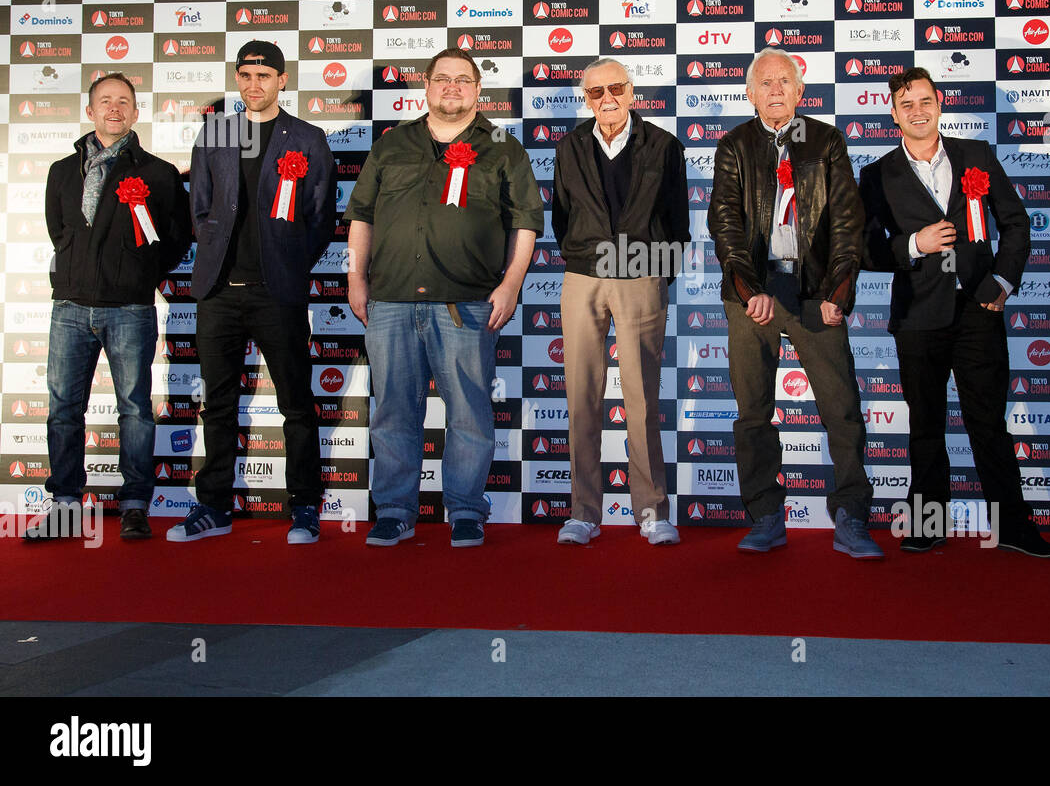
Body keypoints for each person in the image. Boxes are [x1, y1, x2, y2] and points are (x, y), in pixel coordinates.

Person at [858, 67, 1050, 558]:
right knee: (925, 426)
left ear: (940, 103)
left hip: (978, 310)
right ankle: (930, 523)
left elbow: (1015, 224)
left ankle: (1012, 526)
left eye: (925, 101)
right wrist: (913, 243)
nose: (918, 111)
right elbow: (864, 250)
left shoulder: (977, 155)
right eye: (906, 105)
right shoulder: (876, 173)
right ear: (893, 114)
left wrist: (1003, 281)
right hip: (917, 317)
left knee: (988, 423)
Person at [346, 47, 542, 548]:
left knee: (469, 412)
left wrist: (512, 283)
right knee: (393, 410)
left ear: (479, 90)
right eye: (442, 79)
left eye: (462, 80)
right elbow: (362, 215)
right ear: (427, 86)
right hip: (390, 300)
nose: (451, 88)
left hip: (467, 304)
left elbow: (525, 222)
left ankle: (465, 510)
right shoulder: (393, 145)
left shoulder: (503, 146)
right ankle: (394, 509)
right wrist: (355, 278)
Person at [706, 47, 880, 558]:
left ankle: (851, 517)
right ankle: (764, 516)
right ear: (750, 93)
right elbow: (726, 225)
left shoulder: (825, 140)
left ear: (801, 91)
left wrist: (838, 293)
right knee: (753, 414)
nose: (776, 89)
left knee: (842, 409)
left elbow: (848, 224)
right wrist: (747, 289)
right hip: (754, 295)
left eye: (785, 81)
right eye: (766, 82)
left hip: (814, 296)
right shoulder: (734, 144)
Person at [171, 41, 336, 545]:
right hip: (218, 291)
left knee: (296, 404)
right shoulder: (217, 131)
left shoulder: (306, 137)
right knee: (217, 403)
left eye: (264, 74)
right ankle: (214, 506)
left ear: (282, 80)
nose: (254, 83)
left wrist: (286, 262)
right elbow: (199, 207)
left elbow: (320, 217)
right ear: (238, 78)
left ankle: (304, 505)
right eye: (245, 74)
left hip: (277, 292)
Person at [27, 73, 192, 541]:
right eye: (105, 101)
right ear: (90, 110)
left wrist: (139, 271)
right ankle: (64, 504)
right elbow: (59, 230)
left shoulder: (157, 173)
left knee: (135, 409)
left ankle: (136, 503)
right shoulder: (62, 170)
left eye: (124, 102)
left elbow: (177, 239)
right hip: (70, 308)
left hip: (131, 309)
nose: (114, 109)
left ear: (137, 113)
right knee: (63, 410)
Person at [551, 58, 689, 546]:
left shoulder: (665, 146)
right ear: (584, 98)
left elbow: (677, 220)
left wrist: (656, 275)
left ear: (632, 92)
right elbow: (561, 217)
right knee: (581, 398)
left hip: (642, 277)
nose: (606, 99)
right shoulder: (569, 147)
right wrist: (582, 258)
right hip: (583, 278)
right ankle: (583, 512)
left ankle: (652, 509)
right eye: (595, 92)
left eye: (615, 88)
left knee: (642, 400)